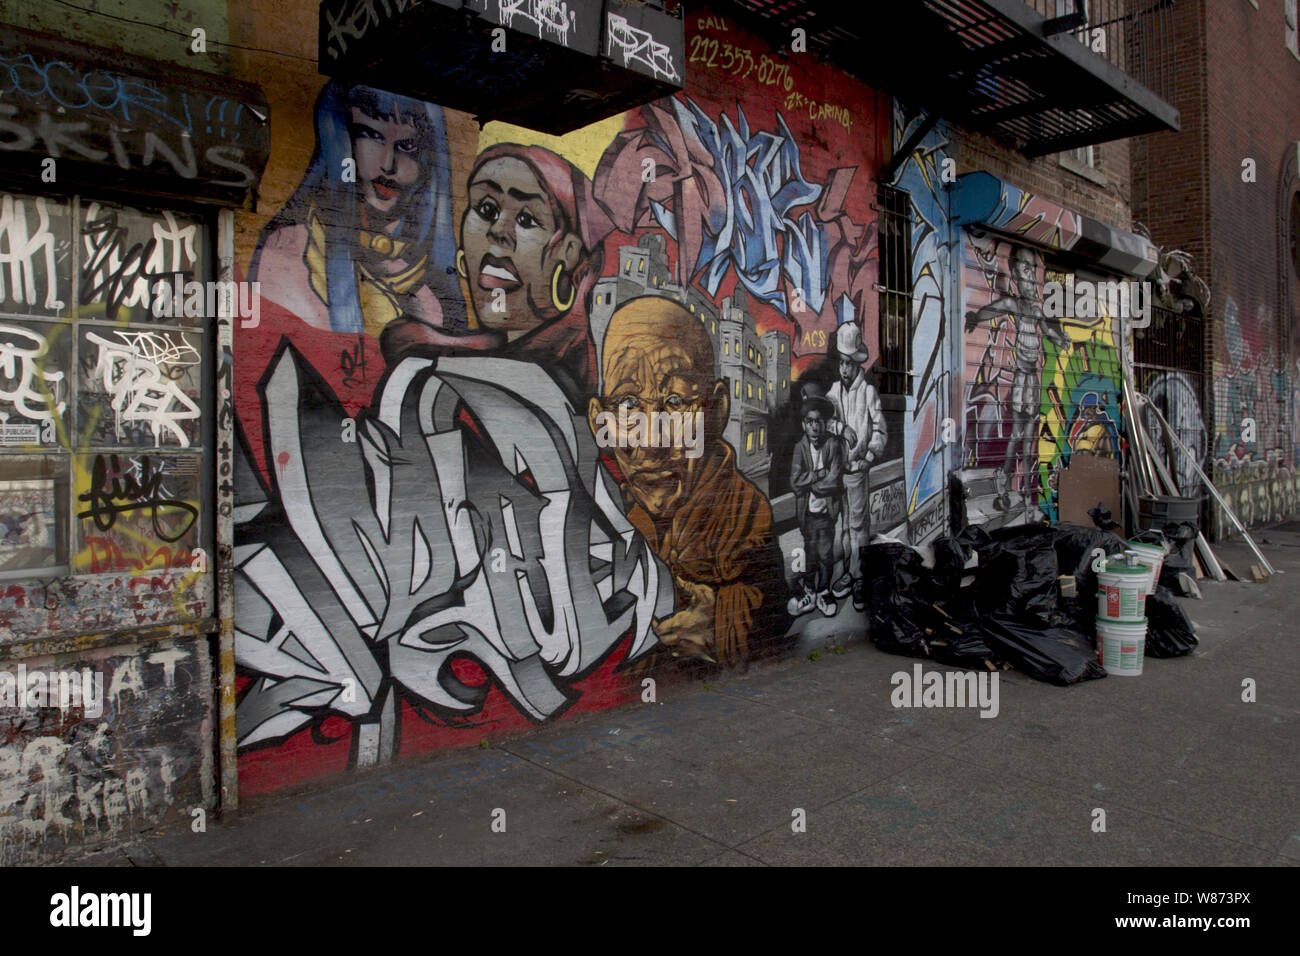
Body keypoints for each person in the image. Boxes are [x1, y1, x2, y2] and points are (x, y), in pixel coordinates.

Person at [587, 296, 785, 666]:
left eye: (676, 402)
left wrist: (724, 629)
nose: (652, 439)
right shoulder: (610, 520)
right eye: (628, 404)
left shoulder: (743, 517)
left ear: (717, 411)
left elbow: (773, 614)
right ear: (600, 420)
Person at [250, 82, 478, 345]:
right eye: (371, 135)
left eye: (407, 147)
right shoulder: (293, 251)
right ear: (340, 139)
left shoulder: (421, 276)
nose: (388, 165)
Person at [454, 143, 612, 399]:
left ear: (569, 252)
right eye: (487, 210)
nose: (498, 231)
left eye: (526, 219)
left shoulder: (556, 383)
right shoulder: (461, 358)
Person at [965, 244, 1071, 511]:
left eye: (1032, 269)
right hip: (1023, 379)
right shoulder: (1016, 304)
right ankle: (1006, 487)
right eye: (1024, 269)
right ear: (1013, 274)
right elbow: (997, 306)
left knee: (1027, 439)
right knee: (1017, 438)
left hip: (1032, 381)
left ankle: (1023, 491)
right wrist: (976, 315)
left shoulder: (1035, 310)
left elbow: (1049, 330)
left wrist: (1062, 338)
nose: (1029, 277)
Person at [826, 321, 885, 610]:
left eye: (849, 363)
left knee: (859, 525)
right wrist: (839, 427)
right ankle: (849, 575)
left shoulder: (868, 392)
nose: (844, 369)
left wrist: (868, 459)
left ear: (857, 363)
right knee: (845, 527)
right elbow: (821, 420)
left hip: (857, 470)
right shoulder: (834, 392)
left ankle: (860, 578)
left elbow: (879, 431)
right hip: (840, 473)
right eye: (841, 363)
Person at [789, 382, 843, 618]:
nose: (814, 427)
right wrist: (816, 475)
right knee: (809, 553)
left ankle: (823, 591)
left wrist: (811, 483)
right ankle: (810, 591)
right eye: (809, 422)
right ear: (804, 424)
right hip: (807, 515)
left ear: (825, 423)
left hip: (826, 514)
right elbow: (794, 481)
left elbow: (833, 481)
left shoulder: (833, 445)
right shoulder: (800, 448)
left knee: (825, 555)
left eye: (818, 421)